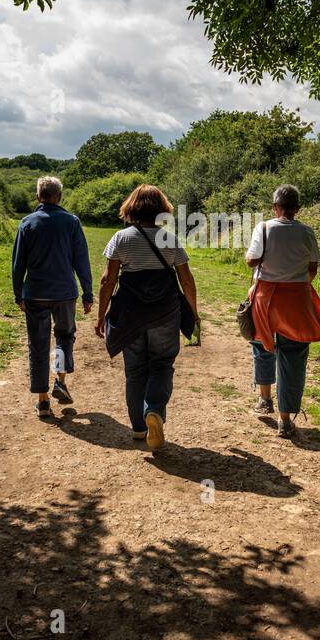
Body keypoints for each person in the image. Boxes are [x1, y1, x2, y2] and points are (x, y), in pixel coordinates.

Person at [93, 184, 198, 451]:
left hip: (131, 315)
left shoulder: (121, 238)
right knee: (162, 364)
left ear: (132, 208)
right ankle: (154, 410)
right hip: (165, 313)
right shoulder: (170, 240)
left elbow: (108, 280)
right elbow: (186, 279)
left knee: (135, 371)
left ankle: (139, 429)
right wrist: (194, 314)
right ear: (162, 210)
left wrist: (101, 314)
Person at [246, 184, 320, 438]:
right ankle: (285, 419)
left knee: (262, 345)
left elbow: (250, 260)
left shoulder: (264, 228)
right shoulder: (307, 232)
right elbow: (313, 267)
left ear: (274, 207)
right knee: (294, 353)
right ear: (298, 208)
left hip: (266, 298)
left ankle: (264, 399)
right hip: (297, 300)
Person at [11, 176, 93, 419]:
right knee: (64, 336)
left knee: (37, 344)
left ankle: (43, 400)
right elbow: (81, 260)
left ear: (38, 196)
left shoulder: (27, 223)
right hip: (65, 293)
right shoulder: (72, 222)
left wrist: (18, 293)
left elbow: (18, 264)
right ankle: (60, 381)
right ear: (59, 197)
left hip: (35, 293)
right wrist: (87, 293)